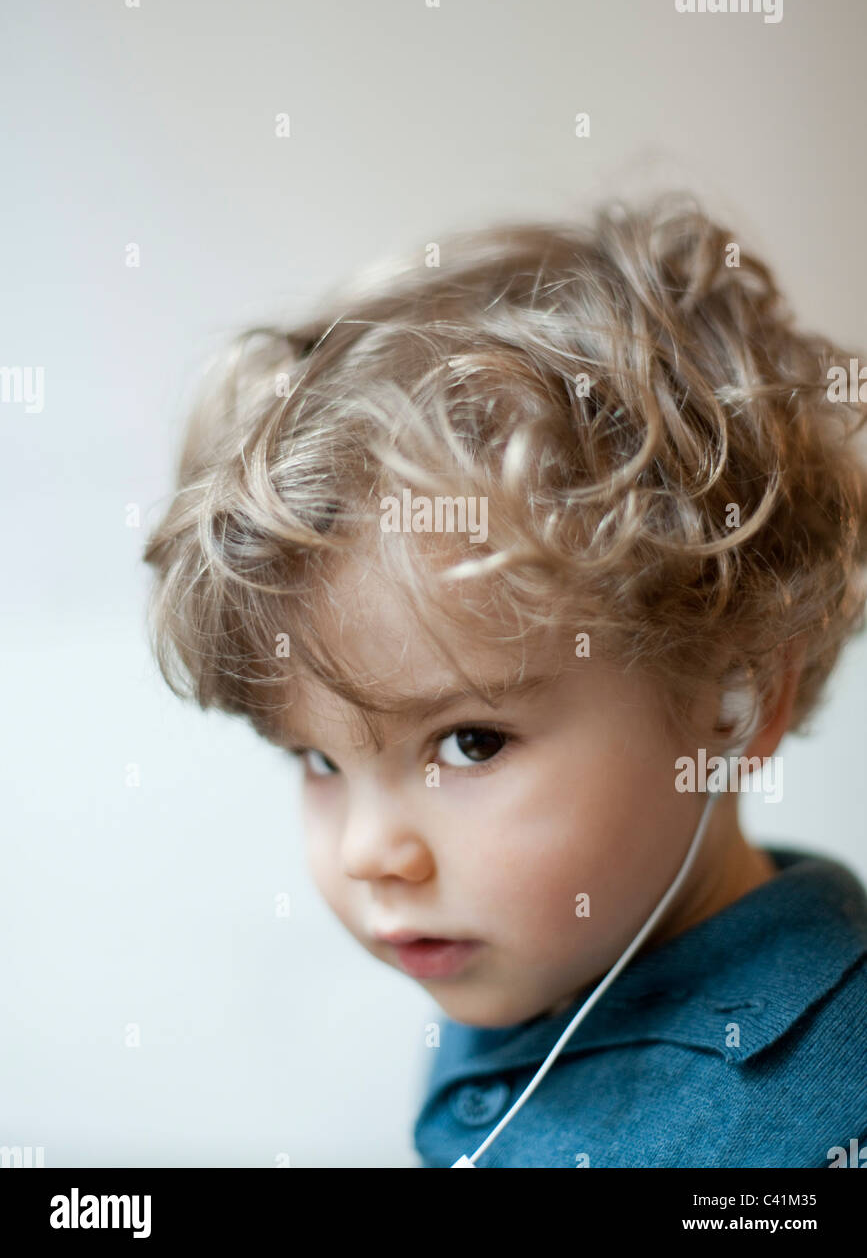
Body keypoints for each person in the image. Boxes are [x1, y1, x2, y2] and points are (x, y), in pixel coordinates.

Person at [143, 192, 867, 1167]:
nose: (369, 852)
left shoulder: (820, 1119)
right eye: (316, 758)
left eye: (468, 742)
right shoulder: (540, 965)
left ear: (737, 701)